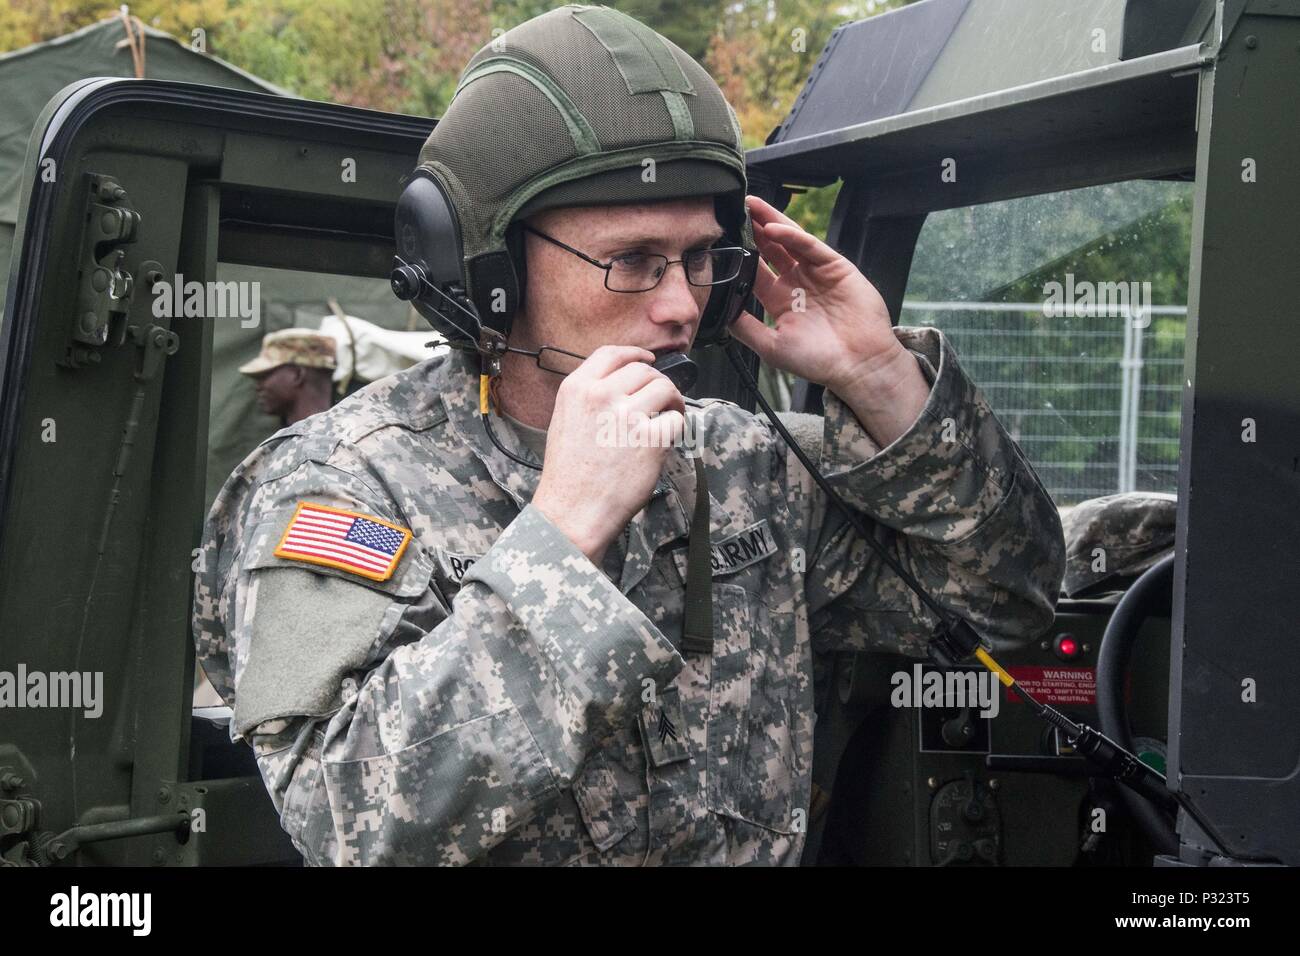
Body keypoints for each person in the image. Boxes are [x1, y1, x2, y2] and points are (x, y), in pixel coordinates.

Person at [193, 5, 1065, 866]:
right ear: (486, 271)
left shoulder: (743, 464)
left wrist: (882, 381)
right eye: (635, 261)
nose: (683, 304)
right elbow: (347, 822)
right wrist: (561, 542)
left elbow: (1005, 602)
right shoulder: (344, 483)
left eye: (699, 260)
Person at [238, 328, 337, 425]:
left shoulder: (314, 438)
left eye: (264, 376)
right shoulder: (343, 433)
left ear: (297, 375)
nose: (258, 386)